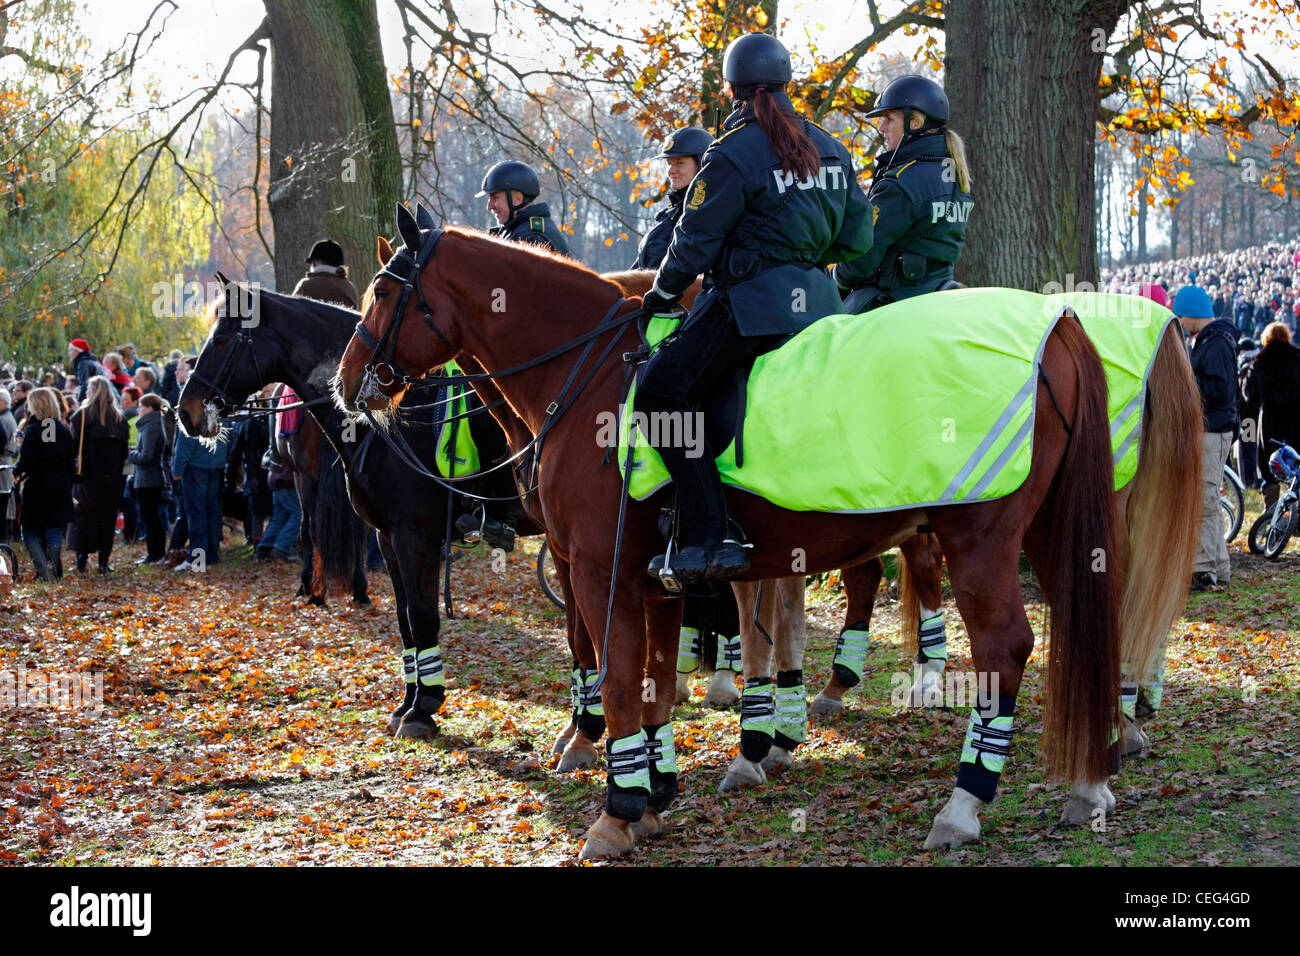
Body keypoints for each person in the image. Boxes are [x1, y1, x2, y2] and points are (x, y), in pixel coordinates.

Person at [637, 32, 874, 582]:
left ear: (733, 90)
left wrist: (663, 294)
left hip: (750, 308)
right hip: (821, 307)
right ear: (787, 84)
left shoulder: (731, 153)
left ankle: (709, 529)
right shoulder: (832, 148)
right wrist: (809, 258)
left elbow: (692, 243)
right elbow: (859, 238)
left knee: (657, 392)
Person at [832, 74, 973, 313]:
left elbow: (861, 259)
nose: (882, 127)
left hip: (895, 298)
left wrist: (836, 277)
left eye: (889, 119)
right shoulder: (957, 177)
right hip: (940, 290)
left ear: (914, 123)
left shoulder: (901, 183)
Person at [1177, 285, 1239, 592]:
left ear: (1191, 314)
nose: (1180, 323)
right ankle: (1219, 567)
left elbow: (1218, 390)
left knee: (1204, 500)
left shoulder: (1214, 344)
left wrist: (1186, 380)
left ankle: (1203, 570)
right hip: (1214, 430)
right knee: (1209, 499)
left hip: (1212, 431)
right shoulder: (1214, 340)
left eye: (1181, 316)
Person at [67, 376, 130, 574]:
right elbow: (124, 453)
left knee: (84, 519)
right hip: (112, 478)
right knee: (107, 519)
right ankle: (103, 561)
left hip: (87, 477)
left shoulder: (82, 416)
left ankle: (82, 561)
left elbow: (74, 447)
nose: (86, 392)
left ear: (94, 391)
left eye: (88, 389)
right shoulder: (120, 419)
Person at [13, 387, 76, 580]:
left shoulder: (32, 430)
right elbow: (70, 460)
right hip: (60, 485)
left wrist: (16, 471)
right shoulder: (62, 430)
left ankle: (44, 572)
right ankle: (52, 570)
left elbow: (27, 461)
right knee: (54, 528)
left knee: (29, 529)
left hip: (37, 486)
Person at [632, 127, 714, 269]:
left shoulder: (712, 214)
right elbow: (639, 270)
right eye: (669, 163)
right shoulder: (668, 215)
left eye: (679, 163)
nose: (671, 171)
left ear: (702, 165)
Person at [1243, 322, 1300, 509]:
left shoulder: (1259, 360)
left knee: (1268, 466)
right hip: (1294, 419)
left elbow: (1249, 393)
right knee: (1297, 462)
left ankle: (1272, 513)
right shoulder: (1297, 357)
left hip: (1270, 419)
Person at [477, 160, 573, 256]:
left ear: (517, 199)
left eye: (495, 198)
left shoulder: (531, 238)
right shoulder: (520, 231)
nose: (490, 206)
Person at [171, 413, 228, 570]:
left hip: (196, 467)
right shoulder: (216, 414)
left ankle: (196, 561)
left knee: (196, 514)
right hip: (215, 466)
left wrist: (177, 469)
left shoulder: (193, 413)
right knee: (211, 512)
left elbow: (185, 443)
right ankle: (211, 556)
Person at [128, 394, 171, 564]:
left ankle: (156, 555)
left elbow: (148, 456)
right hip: (147, 478)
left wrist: (131, 454)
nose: (138, 409)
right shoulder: (149, 426)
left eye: (140, 406)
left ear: (149, 408)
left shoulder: (151, 427)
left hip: (149, 479)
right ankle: (154, 554)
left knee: (152, 519)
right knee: (151, 518)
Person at [292, 239, 359, 309]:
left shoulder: (304, 285)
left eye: (312, 261)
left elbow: (290, 313)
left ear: (317, 261)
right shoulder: (349, 288)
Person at [0, 388, 17, 544]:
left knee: (4, 505)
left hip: (3, 463)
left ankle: (5, 539)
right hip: (5, 462)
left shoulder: (4, 419)